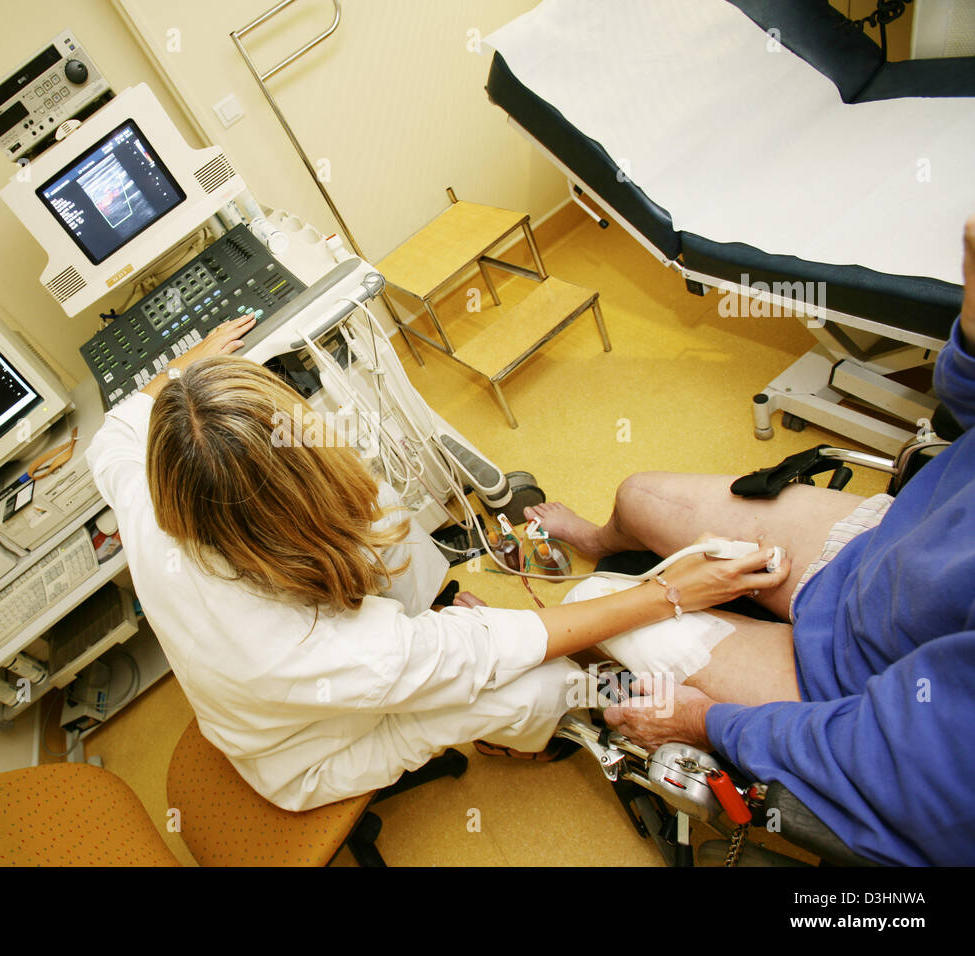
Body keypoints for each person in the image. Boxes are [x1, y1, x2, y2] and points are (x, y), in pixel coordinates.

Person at [84, 316, 788, 812]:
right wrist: (669, 593)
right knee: (542, 689)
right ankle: (521, 742)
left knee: (409, 556)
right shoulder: (312, 650)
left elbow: (112, 434)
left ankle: (446, 638)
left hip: (283, 683)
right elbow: (501, 647)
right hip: (308, 755)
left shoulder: (151, 496)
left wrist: (191, 370)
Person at [527, 216, 975, 866]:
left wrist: (699, 723)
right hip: (890, 549)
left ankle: (573, 640)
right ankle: (599, 538)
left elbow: (907, 770)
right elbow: (963, 409)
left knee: (595, 604)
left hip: (860, 690)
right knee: (638, 498)